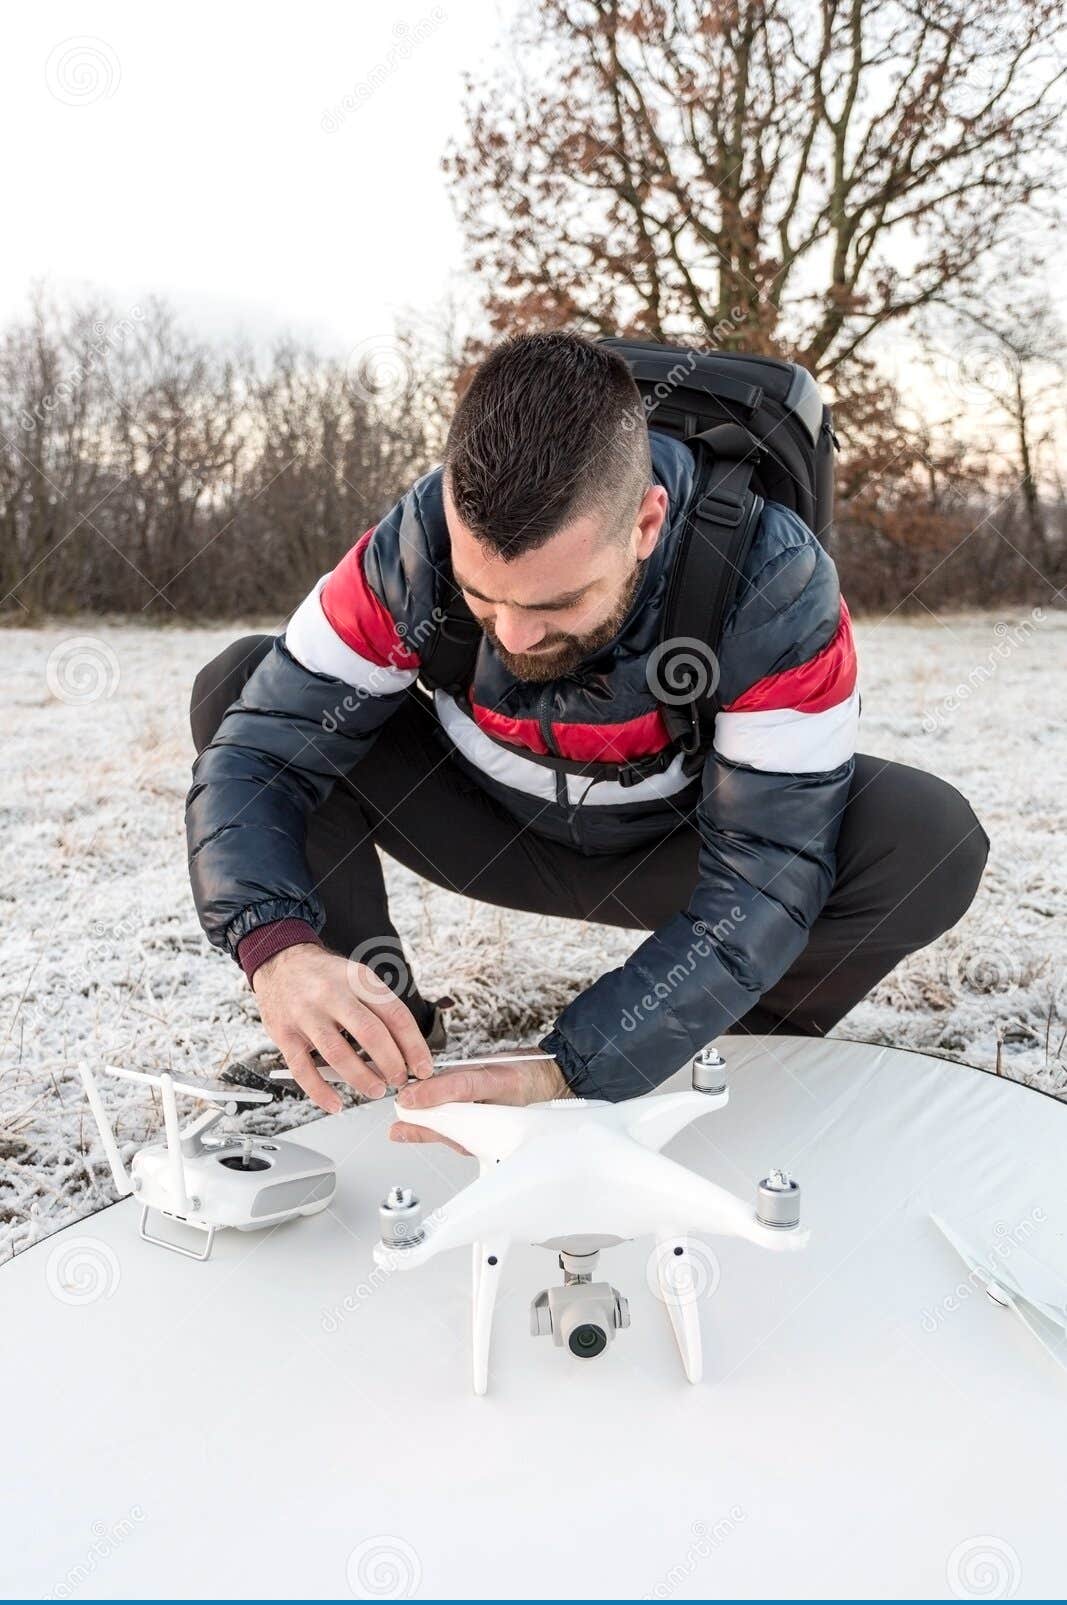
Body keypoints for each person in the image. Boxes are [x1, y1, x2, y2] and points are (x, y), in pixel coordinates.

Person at [186, 331, 987, 1146]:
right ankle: (371, 1031)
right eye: (479, 596)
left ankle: (732, 1046)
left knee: (923, 835)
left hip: (676, 851)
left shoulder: (772, 578)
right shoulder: (414, 541)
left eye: (556, 603)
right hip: (481, 821)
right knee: (239, 684)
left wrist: (573, 1070)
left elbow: (766, 875)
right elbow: (261, 754)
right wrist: (276, 947)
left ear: (645, 522)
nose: (514, 635)